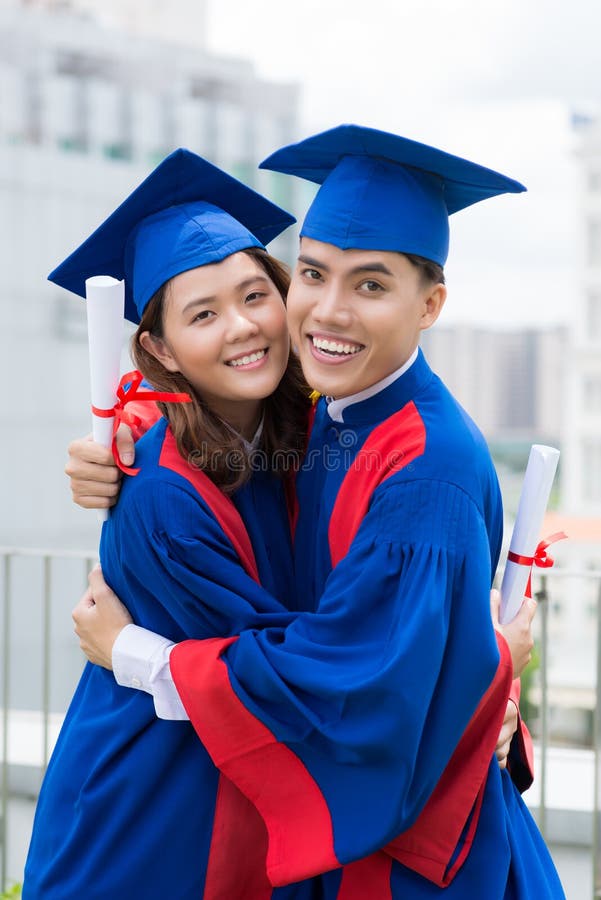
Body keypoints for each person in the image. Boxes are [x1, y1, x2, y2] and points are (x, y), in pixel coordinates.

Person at [69, 126, 564, 898]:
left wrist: (133, 650)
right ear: (159, 349)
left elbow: (355, 683)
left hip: (410, 857)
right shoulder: (326, 421)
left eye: (369, 285)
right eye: (312, 274)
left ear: (428, 304)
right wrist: (122, 442)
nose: (327, 312)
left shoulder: (421, 476)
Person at [23, 148, 323, 900]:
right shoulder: (162, 493)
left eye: (255, 296)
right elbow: (282, 672)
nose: (242, 327)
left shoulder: (301, 440)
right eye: (202, 314)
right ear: (159, 349)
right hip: (150, 805)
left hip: (231, 779)